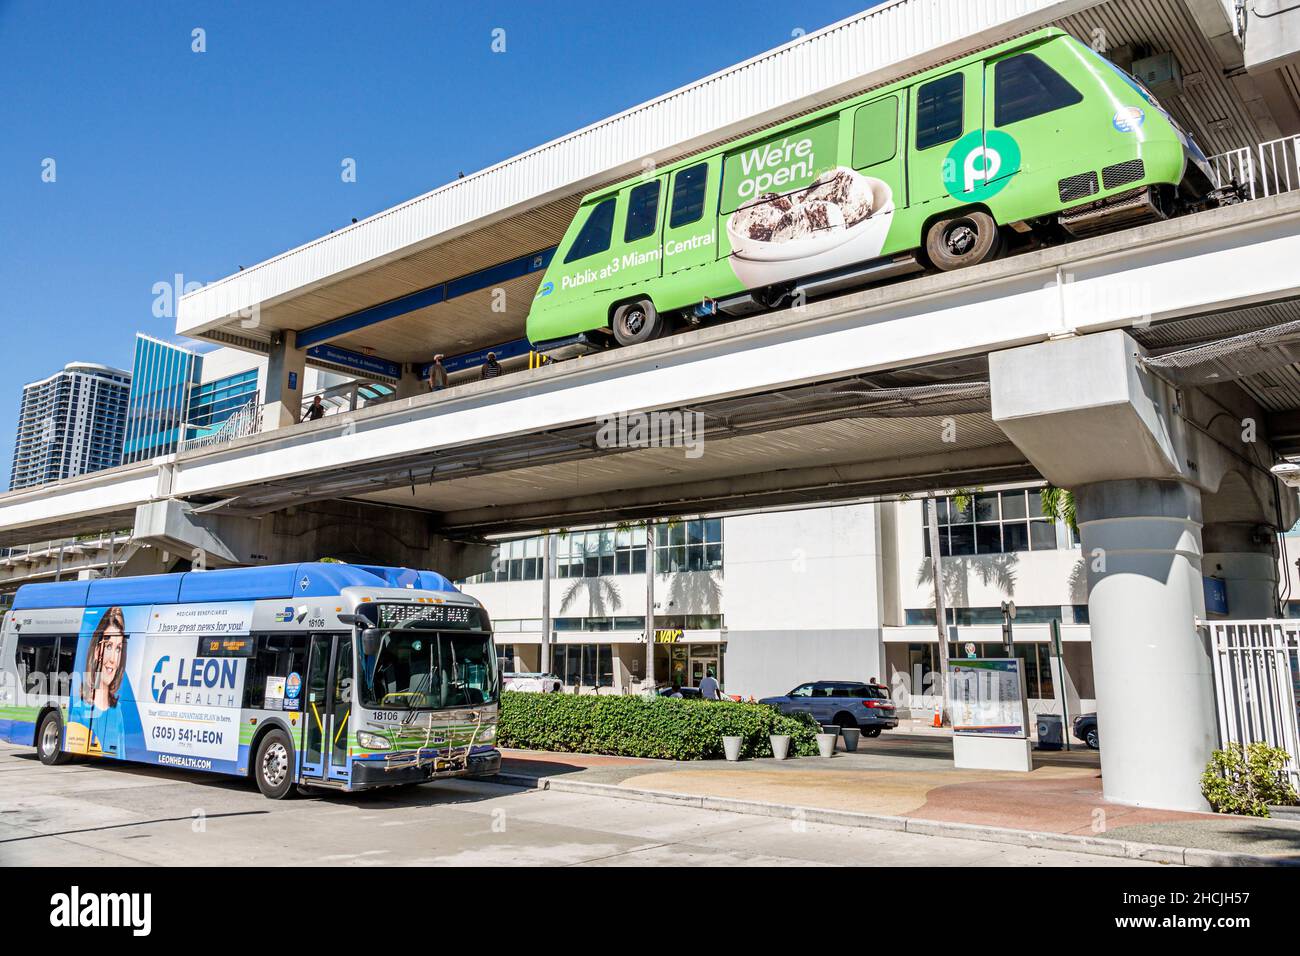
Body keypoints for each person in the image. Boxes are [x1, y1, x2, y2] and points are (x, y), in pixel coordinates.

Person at [68, 606, 128, 759]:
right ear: (96, 651)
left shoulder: (117, 711)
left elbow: (119, 756)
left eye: (118, 649)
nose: (113, 660)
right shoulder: (78, 707)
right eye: (108, 646)